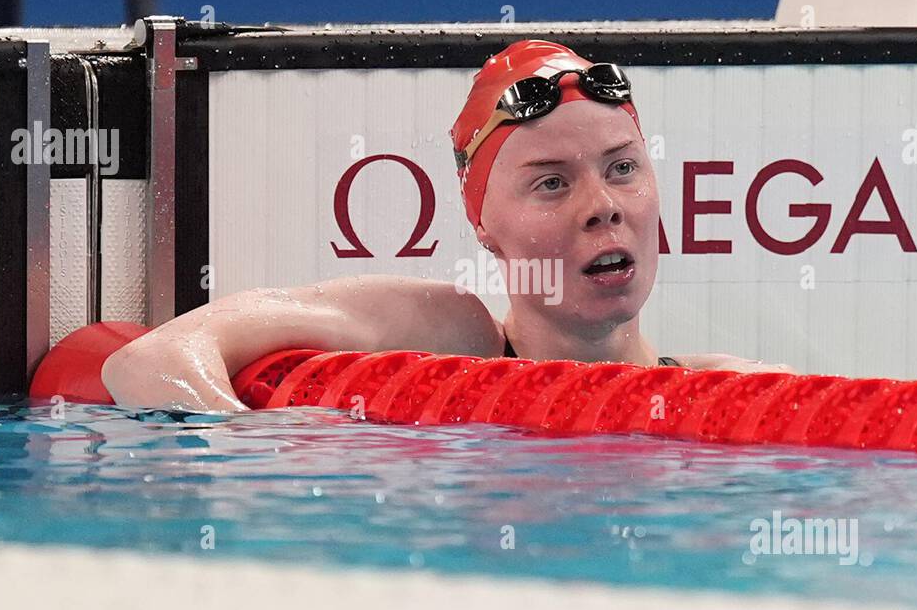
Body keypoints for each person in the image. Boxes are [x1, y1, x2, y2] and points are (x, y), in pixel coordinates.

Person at [102, 39, 791, 411]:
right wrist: (247, 458)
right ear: (485, 226)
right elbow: (150, 362)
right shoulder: (453, 338)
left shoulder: (729, 392)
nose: (602, 205)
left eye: (621, 169)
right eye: (552, 182)